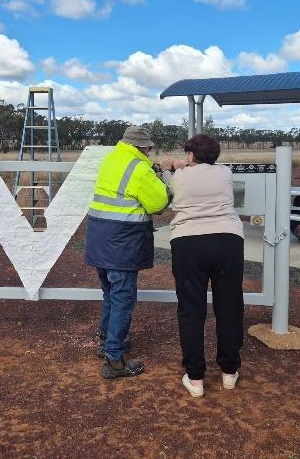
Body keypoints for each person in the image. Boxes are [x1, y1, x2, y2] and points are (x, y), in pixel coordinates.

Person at [159, 134, 244, 398]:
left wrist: (167, 168)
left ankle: (195, 378)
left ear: (191, 156)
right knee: (229, 306)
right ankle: (229, 372)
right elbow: (205, 172)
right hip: (228, 240)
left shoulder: (179, 177)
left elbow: (169, 190)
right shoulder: (225, 173)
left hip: (188, 243)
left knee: (191, 310)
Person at [85, 125, 169, 379]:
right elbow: (159, 203)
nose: (149, 151)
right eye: (148, 147)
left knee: (110, 294)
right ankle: (115, 360)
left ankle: (107, 342)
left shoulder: (112, 159)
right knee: (123, 299)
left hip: (100, 237)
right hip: (122, 242)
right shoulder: (140, 168)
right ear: (143, 146)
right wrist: (162, 178)